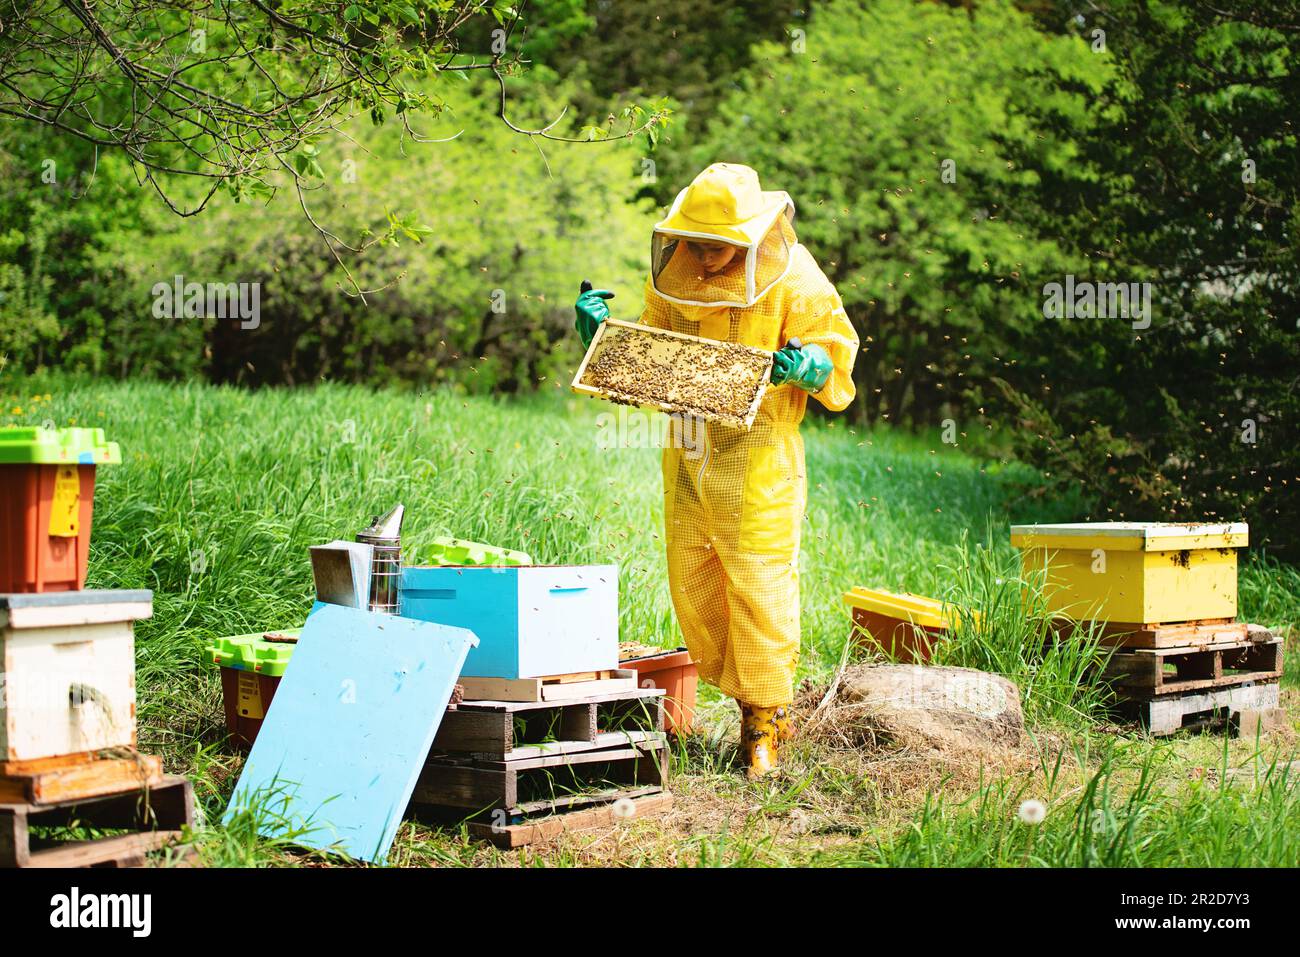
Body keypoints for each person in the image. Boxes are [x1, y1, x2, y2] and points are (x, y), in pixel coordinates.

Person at [575, 163, 858, 779]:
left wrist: (809, 364)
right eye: (693, 245)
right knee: (695, 581)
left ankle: (763, 727)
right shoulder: (676, 271)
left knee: (758, 586)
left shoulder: (796, 276)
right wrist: (602, 336)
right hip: (688, 450)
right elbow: (653, 351)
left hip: (760, 458)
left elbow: (833, 348)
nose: (701, 260)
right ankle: (740, 705)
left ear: (752, 237)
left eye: (715, 248)